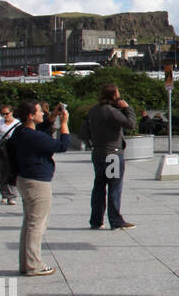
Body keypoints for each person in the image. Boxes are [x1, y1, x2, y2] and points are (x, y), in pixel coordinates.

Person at [12, 98, 70, 276]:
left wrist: (52, 118)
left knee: (29, 223)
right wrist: (64, 124)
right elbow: (62, 146)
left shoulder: (20, 131)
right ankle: (34, 265)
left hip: (25, 179)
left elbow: (41, 135)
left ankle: (26, 263)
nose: (43, 113)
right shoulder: (31, 136)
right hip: (37, 182)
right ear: (31, 115)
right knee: (36, 224)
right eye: (39, 112)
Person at [83, 83, 137, 229]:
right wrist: (127, 108)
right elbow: (131, 124)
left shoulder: (94, 110)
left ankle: (96, 220)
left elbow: (85, 130)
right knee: (114, 187)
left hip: (98, 153)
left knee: (99, 187)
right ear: (113, 95)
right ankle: (115, 220)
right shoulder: (110, 111)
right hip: (112, 155)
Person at [0, 105, 21, 204]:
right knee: (0, 173)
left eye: (7, 113)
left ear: (12, 112)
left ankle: (12, 196)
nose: (5, 116)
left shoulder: (18, 124)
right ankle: (5, 194)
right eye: (3, 114)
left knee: (11, 173)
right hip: (0, 150)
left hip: (12, 150)